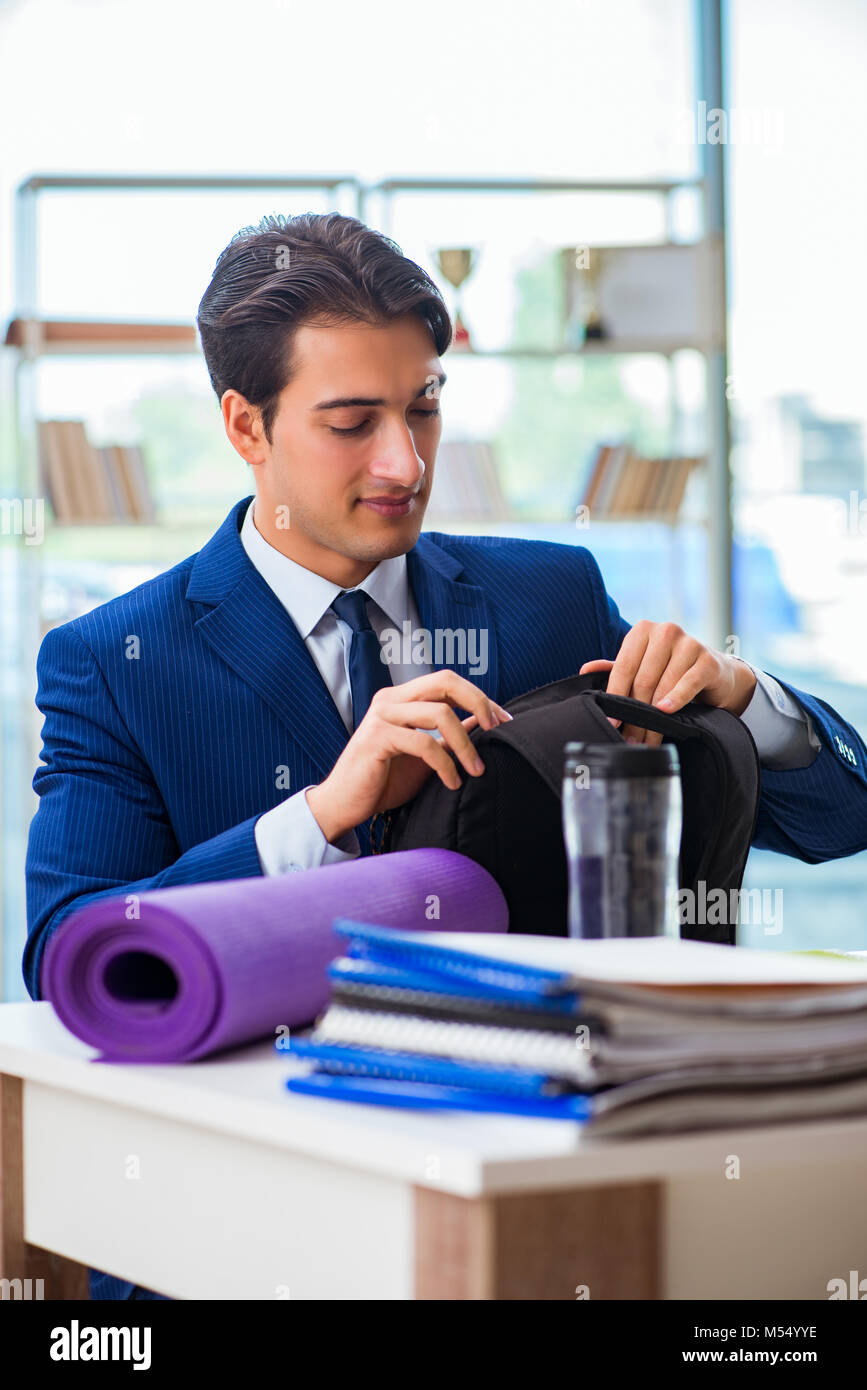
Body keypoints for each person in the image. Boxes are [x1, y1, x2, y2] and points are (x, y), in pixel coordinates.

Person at [24, 213, 867, 1299]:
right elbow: (66, 957)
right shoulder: (115, 660)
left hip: (540, 1210)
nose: (405, 461)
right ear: (245, 425)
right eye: (353, 421)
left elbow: (842, 819)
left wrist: (745, 701)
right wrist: (320, 815)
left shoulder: (550, 597)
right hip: (233, 1222)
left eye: (424, 404)